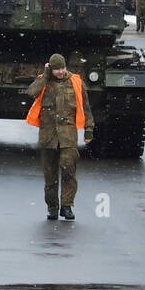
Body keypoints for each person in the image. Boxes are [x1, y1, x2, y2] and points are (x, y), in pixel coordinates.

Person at [26, 53, 94, 221]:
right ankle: (52, 207)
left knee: (69, 170)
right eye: (56, 69)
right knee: (50, 175)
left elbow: (85, 106)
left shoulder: (76, 82)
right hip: (48, 136)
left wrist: (89, 129)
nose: (60, 72)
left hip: (68, 136)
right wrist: (46, 75)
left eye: (62, 68)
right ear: (51, 69)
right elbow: (31, 92)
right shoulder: (44, 81)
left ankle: (67, 206)